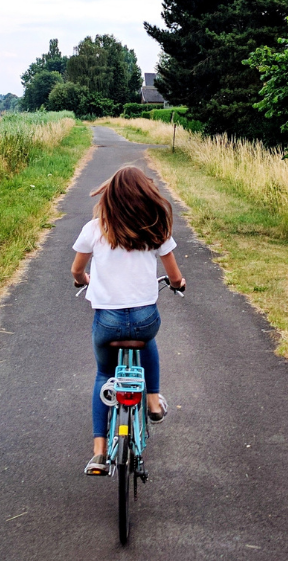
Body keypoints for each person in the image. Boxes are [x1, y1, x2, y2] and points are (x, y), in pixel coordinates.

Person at [71, 165, 186, 476]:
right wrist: (177, 284)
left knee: (104, 374)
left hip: (107, 323)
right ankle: (152, 402)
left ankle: (98, 453)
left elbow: (76, 271)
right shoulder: (155, 229)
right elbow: (174, 276)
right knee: (147, 339)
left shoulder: (94, 229)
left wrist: (83, 279)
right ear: (145, 196)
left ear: (111, 197)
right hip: (145, 318)